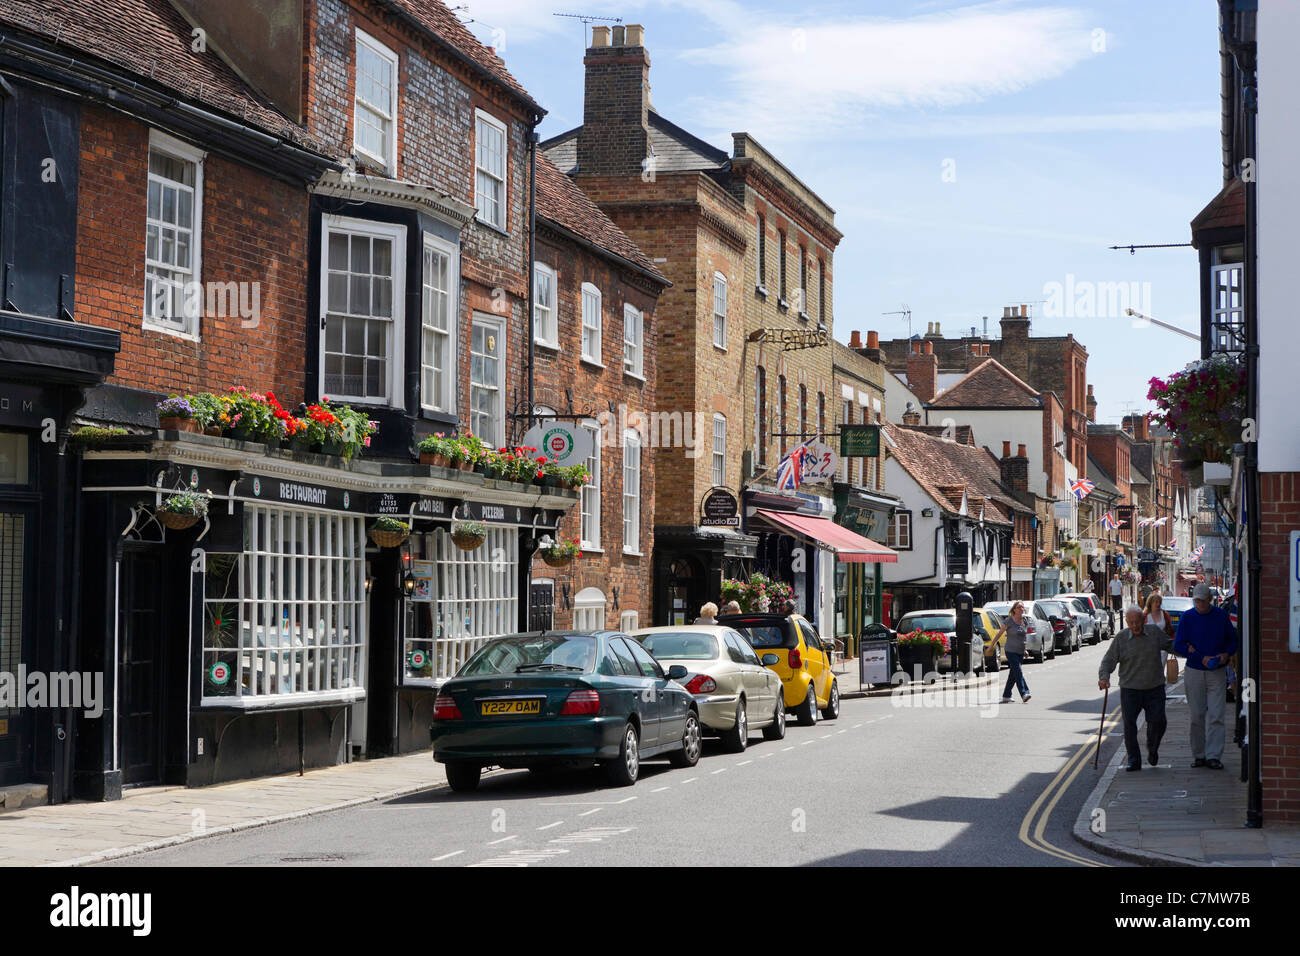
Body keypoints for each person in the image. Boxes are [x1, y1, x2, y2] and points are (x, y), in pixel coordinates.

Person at [1173, 583, 1239, 770]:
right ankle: (1199, 755)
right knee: (1196, 716)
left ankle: (1213, 756)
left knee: (1217, 715)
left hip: (1217, 671)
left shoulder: (1220, 616)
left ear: (1210, 599)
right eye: (1197, 600)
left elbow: (1233, 640)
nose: (1200, 604)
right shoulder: (1188, 617)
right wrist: (1198, 656)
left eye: (1203, 600)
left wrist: (1225, 654)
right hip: (1194, 671)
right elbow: (1179, 645)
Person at [1099, 606, 1174, 771]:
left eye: (1137, 622)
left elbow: (1171, 645)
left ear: (1143, 620)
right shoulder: (1121, 638)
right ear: (1126, 622)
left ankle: (1152, 747)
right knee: (1129, 725)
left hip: (1154, 687)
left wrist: (1190, 649)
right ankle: (1134, 760)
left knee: (1159, 722)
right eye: (1131, 622)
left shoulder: (1154, 633)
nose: (1135, 625)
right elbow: (1108, 660)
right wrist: (1104, 677)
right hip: (1130, 689)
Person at [991, 602, 1031, 703]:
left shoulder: (1024, 621)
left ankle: (1006, 695)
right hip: (1010, 650)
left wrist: (1025, 649)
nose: (1021, 609)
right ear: (1014, 610)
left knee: (1013, 674)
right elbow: (999, 634)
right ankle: (1024, 693)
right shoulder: (1009, 621)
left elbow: (1024, 637)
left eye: (1022, 607)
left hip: (1020, 651)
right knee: (1018, 671)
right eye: (1019, 607)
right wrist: (991, 646)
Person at [1144, 591, 1175, 672]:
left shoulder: (1164, 614)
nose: (1158, 604)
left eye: (1159, 602)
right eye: (1156, 602)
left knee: (1160, 670)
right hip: (1148, 647)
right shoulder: (1145, 615)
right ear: (1151, 603)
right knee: (1150, 670)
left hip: (1163, 648)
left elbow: (1170, 629)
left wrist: (1172, 645)